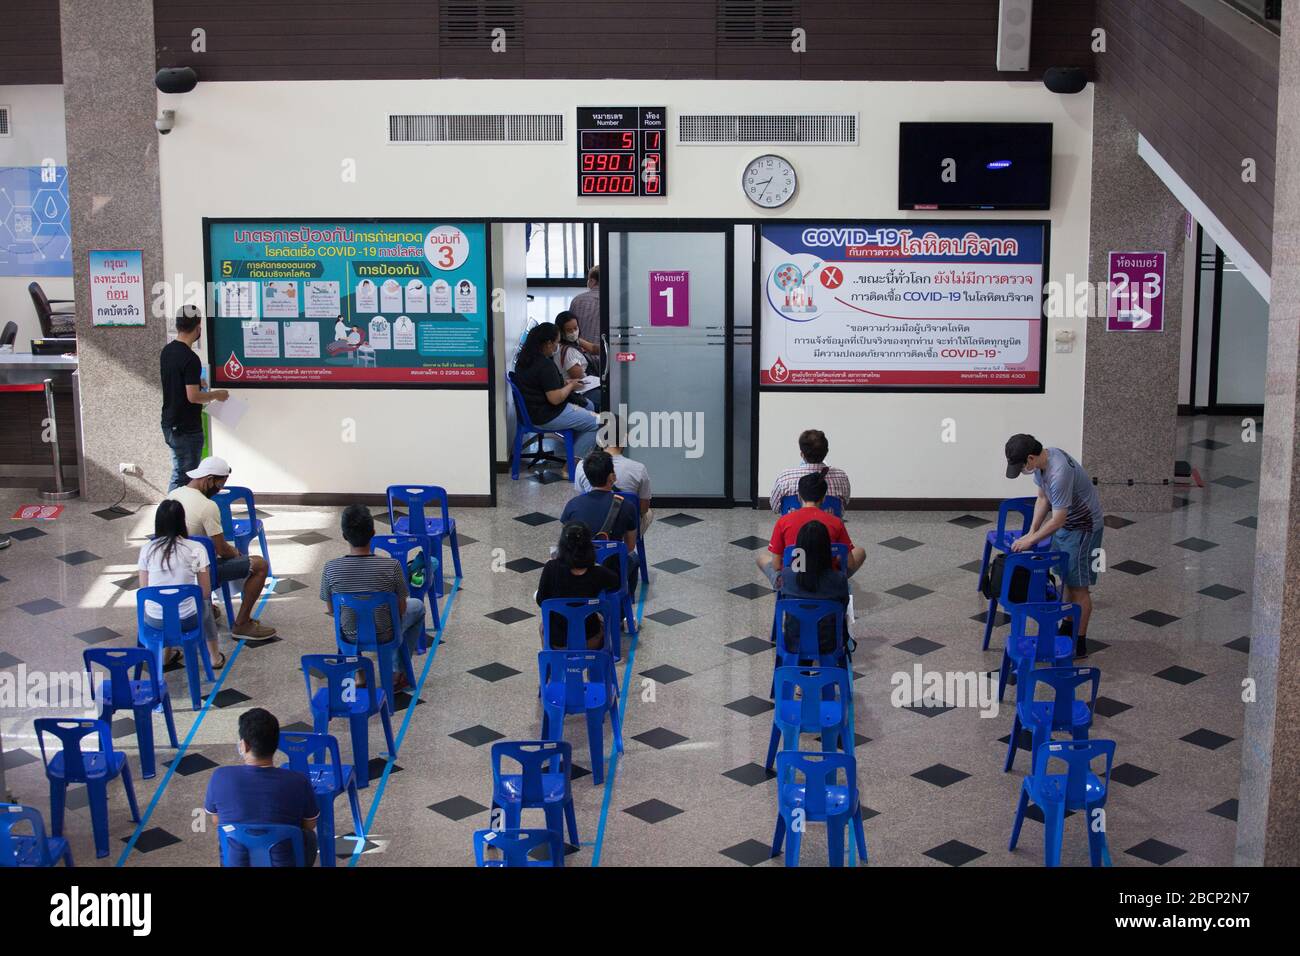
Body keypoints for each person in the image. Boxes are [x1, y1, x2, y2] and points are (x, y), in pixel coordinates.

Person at [1004, 434, 1104, 658]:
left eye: (1021, 467)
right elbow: (1042, 498)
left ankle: (1079, 643)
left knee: (1080, 586)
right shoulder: (1043, 463)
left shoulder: (1058, 473)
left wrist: (1032, 540)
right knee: (1068, 578)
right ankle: (1068, 627)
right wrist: (1032, 532)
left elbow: (1057, 519)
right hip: (1067, 527)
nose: (1022, 471)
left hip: (1084, 528)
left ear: (1030, 458)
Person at [167, 456, 276, 639]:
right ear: (209, 479)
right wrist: (237, 552)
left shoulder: (173, 494)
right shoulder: (207, 506)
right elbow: (221, 549)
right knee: (259, 565)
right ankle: (242, 624)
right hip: (199, 571)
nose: (220, 489)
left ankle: (209, 607)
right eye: (220, 484)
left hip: (172, 569)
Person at [320, 504, 425, 693]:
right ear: (373, 533)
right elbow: (401, 610)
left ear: (344, 535)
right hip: (386, 634)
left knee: (348, 617)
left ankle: (359, 674)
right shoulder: (391, 566)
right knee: (417, 606)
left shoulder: (331, 568)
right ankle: (396, 674)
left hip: (349, 636)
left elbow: (331, 610)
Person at [204, 708, 319, 867]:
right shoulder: (298, 781)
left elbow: (217, 820)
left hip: (238, 862)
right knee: (310, 837)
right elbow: (309, 824)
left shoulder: (220, 777)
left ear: (243, 745)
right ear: (276, 745)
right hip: (284, 861)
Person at [138, 499, 224, 668]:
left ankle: (164, 656)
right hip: (187, 620)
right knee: (204, 604)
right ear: (182, 522)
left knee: (165, 602)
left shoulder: (147, 549)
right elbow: (205, 592)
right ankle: (214, 657)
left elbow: (144, 590)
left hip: (154, 621)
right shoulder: (196, 548)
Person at [161, 305, 228, 492]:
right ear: (198, 327)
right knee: (185, 476)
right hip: (186, 428)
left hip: (170, 423)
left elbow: (177, 383)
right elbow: (193, 397)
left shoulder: (168, 351)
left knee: (181, 472)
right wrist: (217, 395)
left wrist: (196, 381)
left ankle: (177, 514)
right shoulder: (190, 358)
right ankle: (173, 515)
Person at [759, 470, 864, 587]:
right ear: (824, 498)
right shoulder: (836, 522)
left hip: (793, 582)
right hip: (827, 583)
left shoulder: (783, 521)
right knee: (860, 552)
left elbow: (777, 565)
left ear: (799, 496)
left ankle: (781, 587)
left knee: (762, 558)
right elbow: (849, 563)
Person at [513, 322, 600, 460]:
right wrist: (570, 386)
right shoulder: (544, 365)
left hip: (533, 411)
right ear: (548, 343)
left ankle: (575, 449)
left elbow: (540, 384)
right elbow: (555, 399)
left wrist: (565, 383)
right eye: (556, 342)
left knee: (588, 405)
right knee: (599, 423)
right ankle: (572, 463)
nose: (557, 346)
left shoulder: (524, 360)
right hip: (546, 415)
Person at [562, 450, 640, 598]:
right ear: (612, 477)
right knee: (634, 558)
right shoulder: (627, 506)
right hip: (611, 572)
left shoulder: (572, 505)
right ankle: (625, 608)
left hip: (580, 570)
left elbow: (566, 543)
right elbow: (629, 547)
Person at [535, 522, 621, 650]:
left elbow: (541, 600)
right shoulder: (598, 573)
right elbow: (616, 583)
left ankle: (554, 666)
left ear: (562, 546)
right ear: (589, 546)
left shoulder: (551, 568)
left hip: (557, 641)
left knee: (543, 626)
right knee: (601, 620)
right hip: (589, 640)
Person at [773, 519, 850, 656]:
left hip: (794, 643)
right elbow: (843, 608)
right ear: (827, 548)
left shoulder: (787, 576)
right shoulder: (838, 579)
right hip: (829, 645)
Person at [575, 412, 653, 535]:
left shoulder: (581, 466)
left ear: (599, 439)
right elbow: (643, 508)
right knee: (648, 513)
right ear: (625, 438)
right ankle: (628, 544)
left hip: (592, 527)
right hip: (625, 527)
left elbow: (582, 498)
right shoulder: (639, 468)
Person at [769, 429, 852, 513]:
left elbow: (775, 507)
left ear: (802, 454)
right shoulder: (841, 476)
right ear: (826, 452)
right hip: (829, 525)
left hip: (794, 525)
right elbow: (843, 505)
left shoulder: (785, 478)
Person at [555, 310, 602, 405]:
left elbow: (593, 348)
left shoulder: (574, 340)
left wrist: (610, 348)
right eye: (569, 330)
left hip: (588, 384)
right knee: (611, 398)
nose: (573, 332)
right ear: (561, 332)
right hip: (582, 392)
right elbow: (581, 380)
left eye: (575, 328)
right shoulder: (568, 352)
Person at [567, 264, 602, 357]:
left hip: (579, 354)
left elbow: (568, 329)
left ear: (592, 281)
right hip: (603, 355)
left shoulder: (577, 300)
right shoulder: (614, 302)